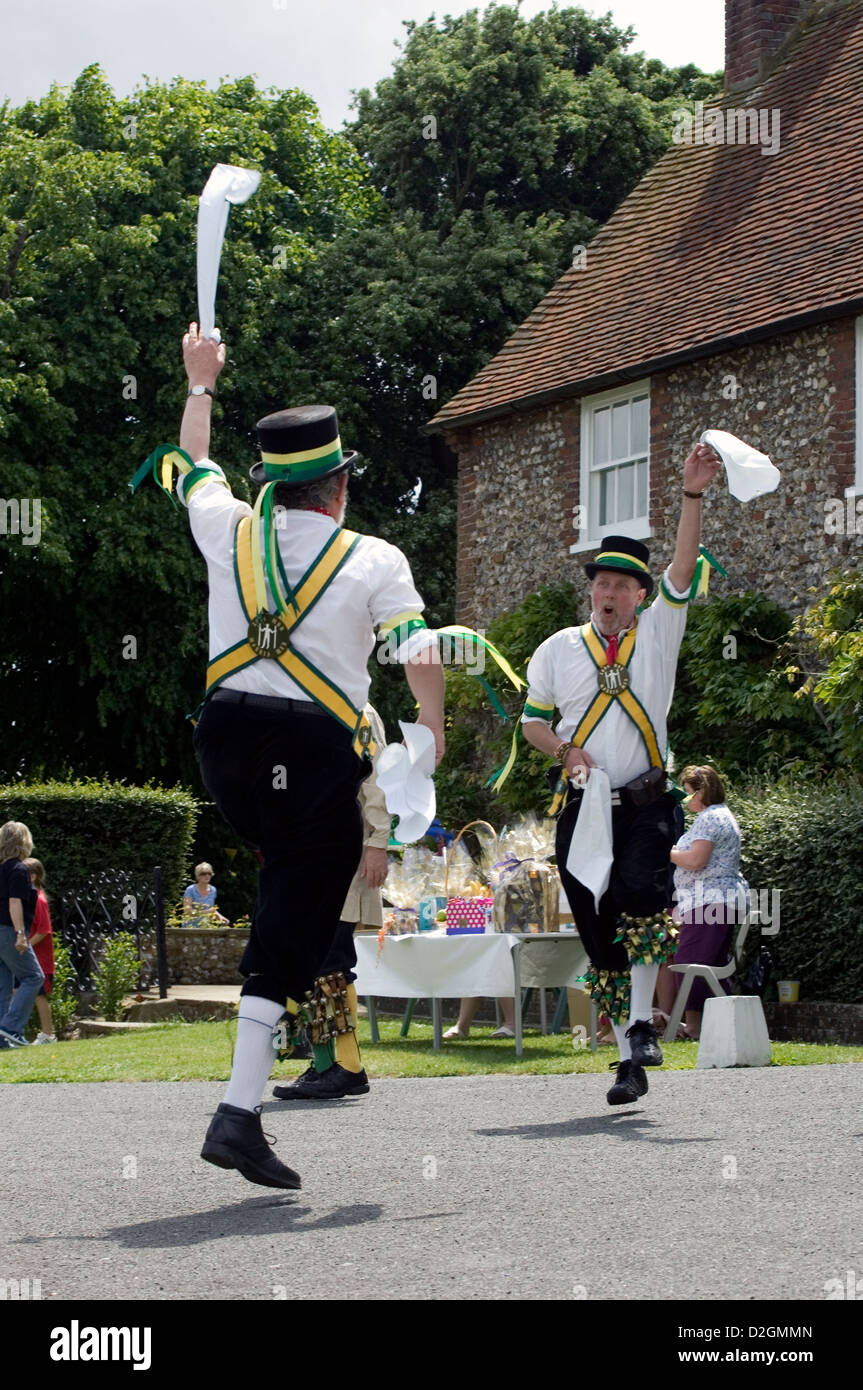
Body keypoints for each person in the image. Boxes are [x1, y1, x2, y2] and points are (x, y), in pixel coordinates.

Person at [150, 323, 444, 1190]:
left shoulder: (229, 527)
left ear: (272, 483)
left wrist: (199, 379)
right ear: (341, 484)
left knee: (289, 896)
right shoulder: (375, 558)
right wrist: (426, 740)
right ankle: (238, 1115)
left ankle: (253, 1101)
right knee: (292, 922)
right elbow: (418, 654)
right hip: (314, 754)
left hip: (225, 746)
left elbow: (189, 463)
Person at [521, 441, 722, 1106]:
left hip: (645, 802)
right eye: (599, 583)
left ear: (640, 594)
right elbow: (530, 723)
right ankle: (626, 1055)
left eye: (620, 585)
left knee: (641, 894)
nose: (608, 593)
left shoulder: (660, 632)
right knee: (596, 924)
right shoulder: (556, 651)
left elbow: (683, 568)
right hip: (583, 806)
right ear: (592, 592)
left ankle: (640, 1026)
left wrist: (690, 496)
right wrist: (564, 752)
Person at [274, 703, 388, 1100]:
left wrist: (377, 841)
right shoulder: (306, 702)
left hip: (340, 847)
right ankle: (325, 1065)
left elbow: (374, 778)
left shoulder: (355, 708)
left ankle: (347, 1067)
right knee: (313, 963)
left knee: (331, 961)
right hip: (308, 850)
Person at [669, 765, 750, 1040]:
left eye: (688, 793)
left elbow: (695, 860)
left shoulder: (710, 819)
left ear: (701, 791)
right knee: (709, 965)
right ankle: (728, 1027)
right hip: (715, 900)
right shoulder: (719, 815)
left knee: (688, 961)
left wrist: (667, 852)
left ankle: (694, 1027)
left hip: (710, 901)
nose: (685, 799)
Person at [0, 822, 43, 1048]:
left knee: (3, 985)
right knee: (34, 977)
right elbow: (14, 902)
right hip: (8, 931)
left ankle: (2, 1039)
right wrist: (20, 934)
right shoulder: (18, 870)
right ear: (23, 841)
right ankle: (10, 1028)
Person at [22, 858, 57, 1043]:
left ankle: (48, 1034)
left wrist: (24, 945)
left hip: (40, 960)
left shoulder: (39, 901)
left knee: (39, 996)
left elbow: (44, 931)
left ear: (33, 877)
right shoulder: (30, 898)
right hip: (33, 957)